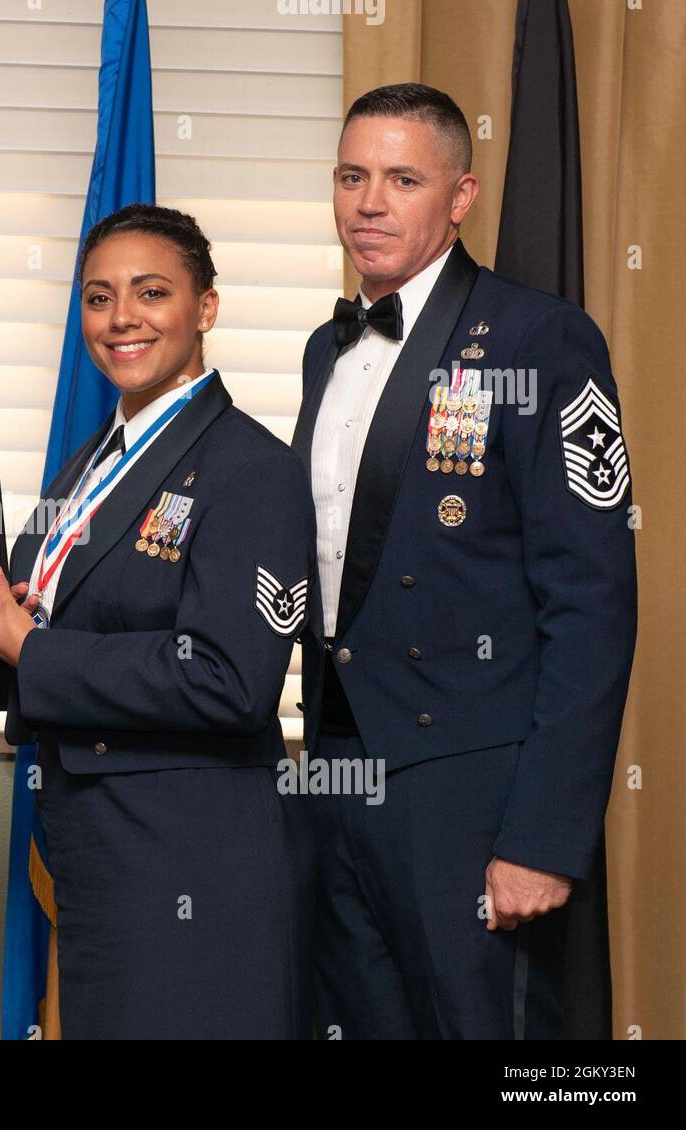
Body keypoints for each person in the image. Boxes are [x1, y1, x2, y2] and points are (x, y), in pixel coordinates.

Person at [0, 204, 317, 1038]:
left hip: (194, 865)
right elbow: (15, 630)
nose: (122, 319)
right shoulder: (91, 464)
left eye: (152, 292)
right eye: (98, 297)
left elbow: (230, 682)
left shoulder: (251, 468)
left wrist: (31, 646)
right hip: (100, 859)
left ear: (207, 308)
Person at [291, 83, 637, 1039]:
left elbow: (593, 604)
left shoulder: (543, 339)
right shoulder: (327, 348)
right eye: (352, 176)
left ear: (461, 195)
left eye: (403, 179)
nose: (370, 203)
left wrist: (543, 839)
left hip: (475, 794)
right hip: (339, 771)